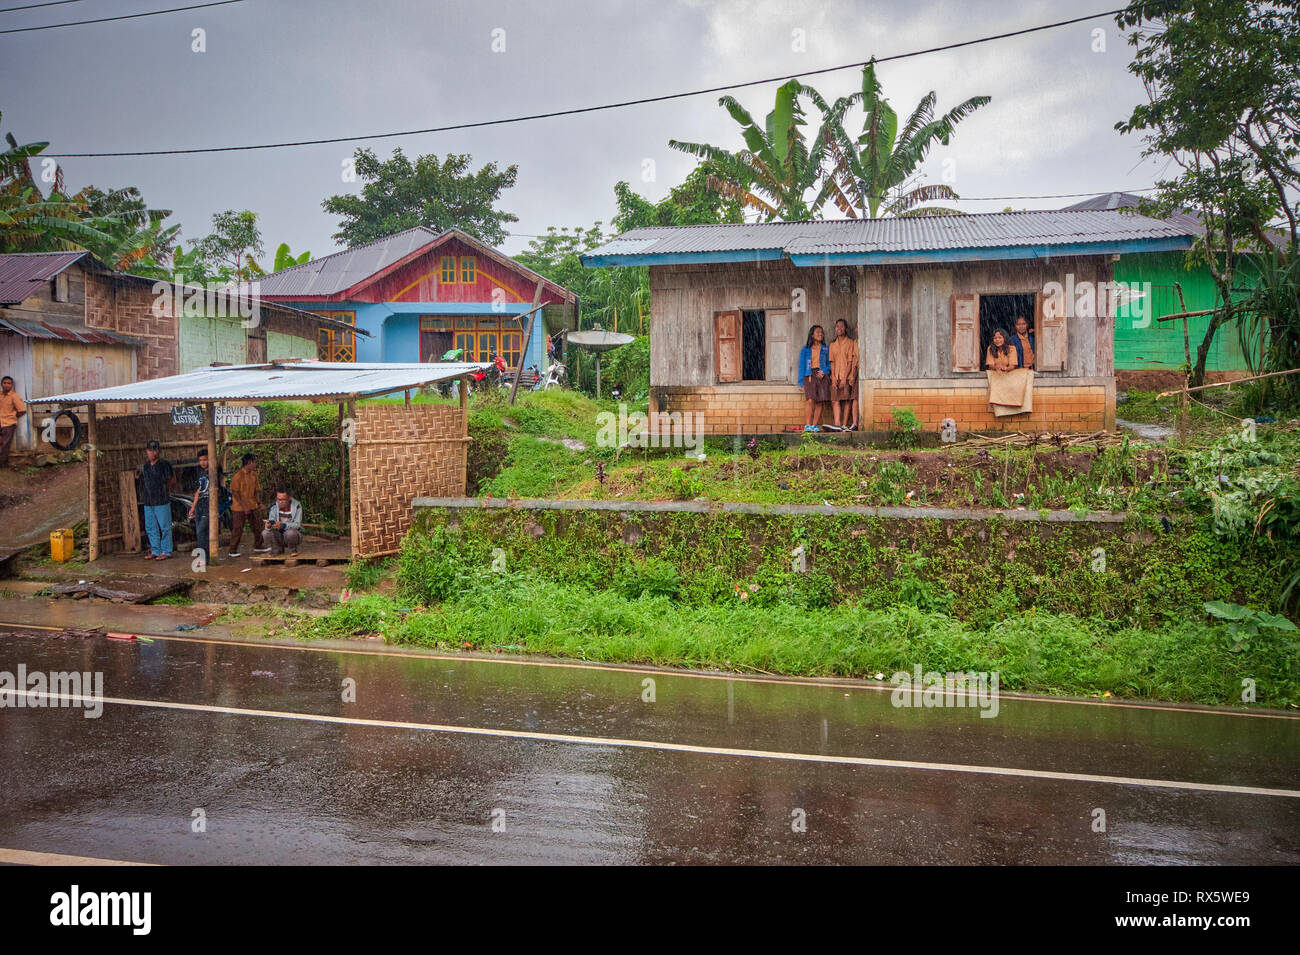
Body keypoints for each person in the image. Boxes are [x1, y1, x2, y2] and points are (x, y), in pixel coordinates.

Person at [140, 439, 175, 560]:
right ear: (147, 451)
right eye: (150, 450)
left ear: (158, 452)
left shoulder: (164, 464)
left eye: (155, 450)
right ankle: (156, 550)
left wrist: (165, 491)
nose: (152, 453)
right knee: (150, 527)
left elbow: (171, 479)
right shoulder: (145, 466)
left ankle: (166, 551)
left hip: (162, 500)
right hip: (148, 501)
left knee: (165, 527)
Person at [227, 453, 268, 557]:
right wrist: (244, 506)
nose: (255, 464)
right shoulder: (238, 476)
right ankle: (232, 550)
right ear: (249, 462)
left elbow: (256, 491)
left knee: (258, 525)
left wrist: (259, 503)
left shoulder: (254, 475)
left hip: (252, 504)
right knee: (238, 528)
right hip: (239, 507)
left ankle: (258, 545)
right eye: (254, 462)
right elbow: (235, 493)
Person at [186, 450, 224, 560]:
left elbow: (218, 468)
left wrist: (213, 460)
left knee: (201, 531)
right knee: (200, 534)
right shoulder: (201, 473)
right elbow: (199, 491)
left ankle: (204, 557)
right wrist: (193, 507)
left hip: (210, 506)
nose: (203, 462)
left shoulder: (215, 471)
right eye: (201, 460)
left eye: (205, 459)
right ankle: (204, 557)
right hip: (200, 506)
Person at [828, 318, 860, 432]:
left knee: (846, 400)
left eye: (842, 326)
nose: (839, 328)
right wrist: (833, 377)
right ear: (835, 329)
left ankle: (844, 424)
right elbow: (832, 361)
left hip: (846, 375)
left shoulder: (850, 342)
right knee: (834, 399)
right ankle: (837, 423)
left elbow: (850, 361)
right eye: (837, 326)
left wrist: (845, 378)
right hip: (835, 376)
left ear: (845, 328)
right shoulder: (832, 344)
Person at [798, 325, 830, 432]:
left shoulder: (826, 348)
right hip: (809, 375)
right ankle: (808, 425)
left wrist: (824, 371)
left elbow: (830, 363)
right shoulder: (805, 349)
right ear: (812, 335)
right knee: (810, 400)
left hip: (821, 375)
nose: (820, 334)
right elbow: (801, 365)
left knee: (820, 401)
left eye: (821, 332)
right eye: (817, 332)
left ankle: (815, 425)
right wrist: (800, 382)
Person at [264, 489, 303, 556]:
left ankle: (293, 549)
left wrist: (284, 525)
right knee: (265, 533)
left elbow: (297, 524)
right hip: (278, 534)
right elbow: (271, 519)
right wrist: (269, 525)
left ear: (289, 499)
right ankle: (277, 549)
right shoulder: (274, 506)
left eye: (283, 500)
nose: (280, 502)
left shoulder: (297, 506)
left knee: (290, 533)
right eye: (278, 499)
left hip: (292, 535)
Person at [0, 375, 26, 468]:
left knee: (5, 445)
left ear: (12, 385)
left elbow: (22, 410)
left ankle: (3, 464)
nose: (6, 385)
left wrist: (13, 417)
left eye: (9, 383)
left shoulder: (14, 396)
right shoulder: (0, 395)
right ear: (1, 384)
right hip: (1, 422)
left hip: (9, 424)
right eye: (4, 383)